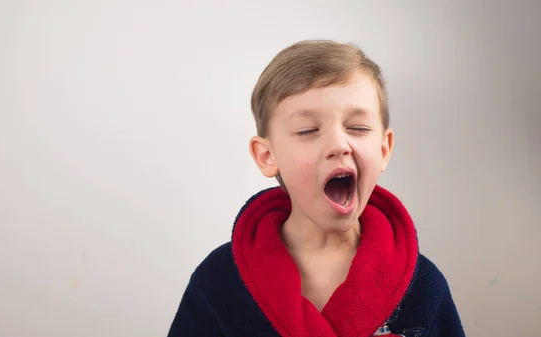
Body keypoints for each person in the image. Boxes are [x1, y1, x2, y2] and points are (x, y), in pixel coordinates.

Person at [167, 40, 465, 337]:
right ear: (267, 156)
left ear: (384, 149)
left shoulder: (423, 284)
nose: (338, 145)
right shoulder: (218, 281)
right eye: (308, 130)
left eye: (358, 128)